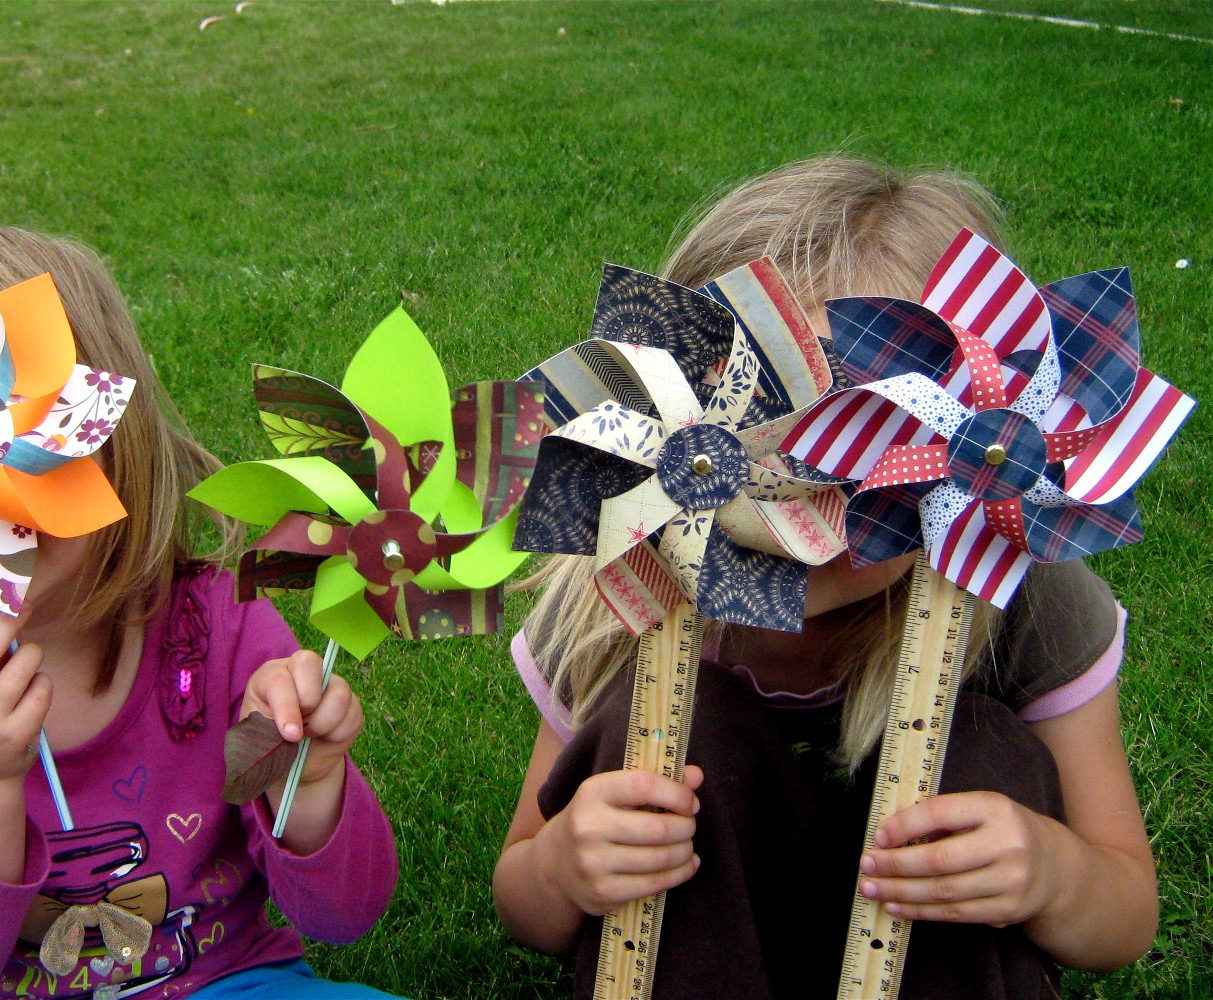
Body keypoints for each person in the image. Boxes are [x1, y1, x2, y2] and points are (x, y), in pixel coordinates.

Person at [493, 157, 1158, 999]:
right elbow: (522, 900)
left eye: (860, 466)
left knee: (974, 748)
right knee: (669, 732)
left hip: (926, 950)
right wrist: (560, 868)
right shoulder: (615, 592)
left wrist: (1053, 876)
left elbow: (1125, 913)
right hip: (699, 954)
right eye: (751, 452)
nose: (795, 511)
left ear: (977, 452)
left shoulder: (1022, 593)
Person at [0, 223, 403, 1000]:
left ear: (105, 431)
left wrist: (307, 780)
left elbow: (344, 913)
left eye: (2, 420)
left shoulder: (217, 622)